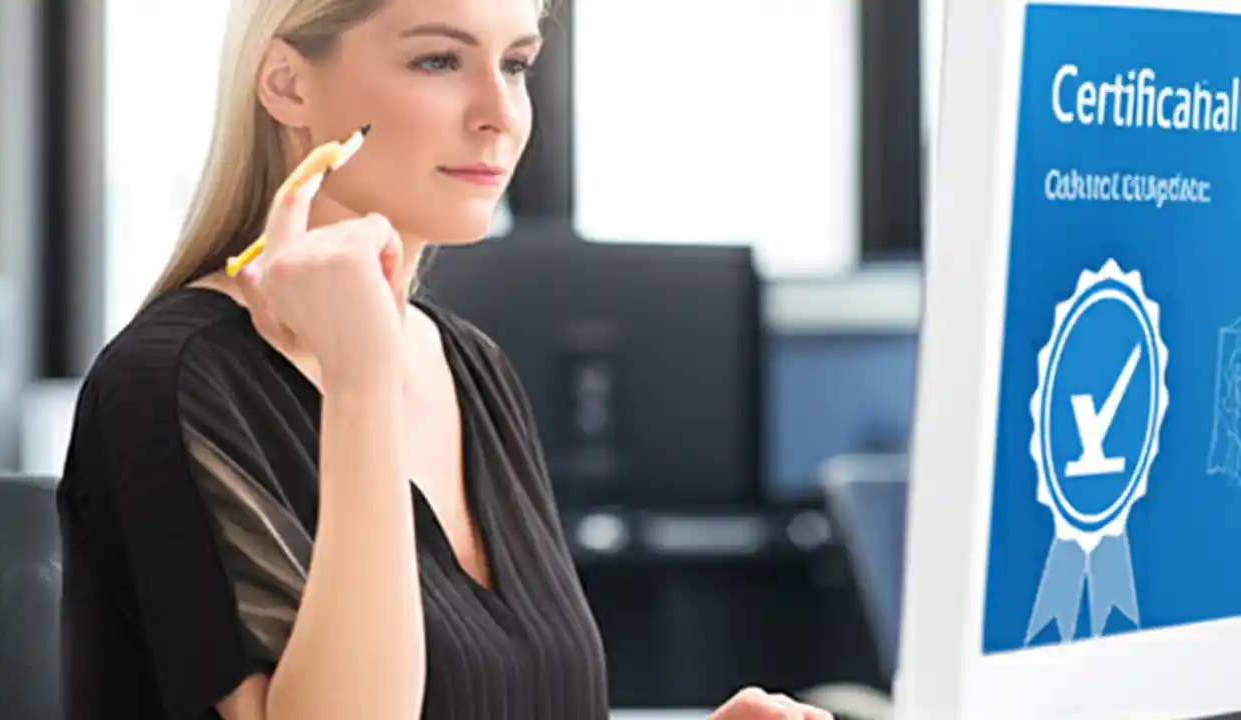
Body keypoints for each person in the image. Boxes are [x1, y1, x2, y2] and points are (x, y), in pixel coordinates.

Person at [56, 0, 834, 718]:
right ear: (288, 84)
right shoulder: (172, 380)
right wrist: (361, 383)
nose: (500, 115)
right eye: (439, 61)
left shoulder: (470, 366)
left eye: (517, 65)